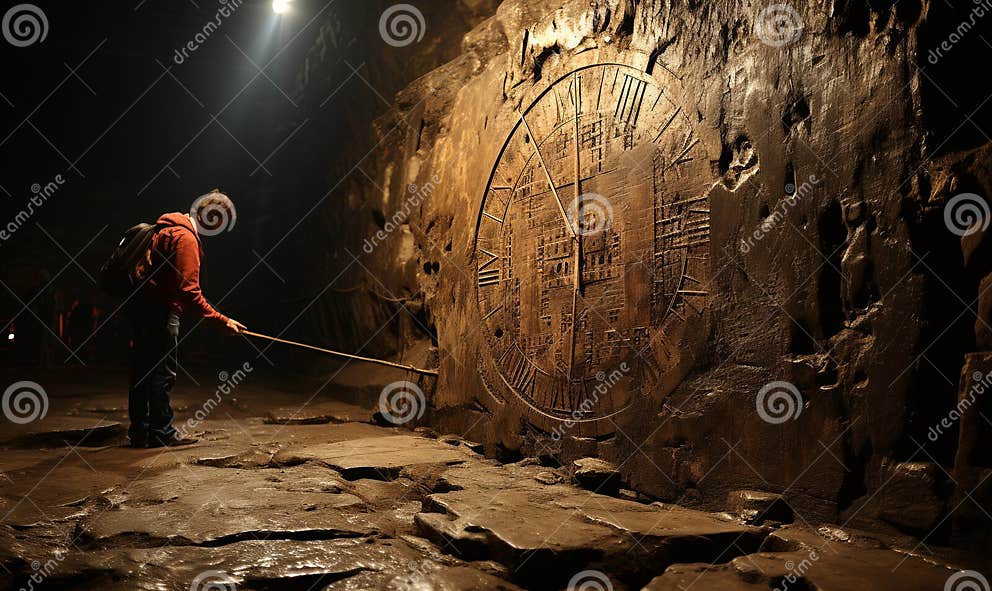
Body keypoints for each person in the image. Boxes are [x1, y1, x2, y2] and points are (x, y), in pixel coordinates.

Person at [129, 191, 246, 448]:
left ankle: (140, 432)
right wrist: (221, 320)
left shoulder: (166, 229)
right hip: (161, 311)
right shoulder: (186, 239)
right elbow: (189, 292)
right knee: (161, 373)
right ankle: (161, 432)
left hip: (143, 307)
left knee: (142, 371)